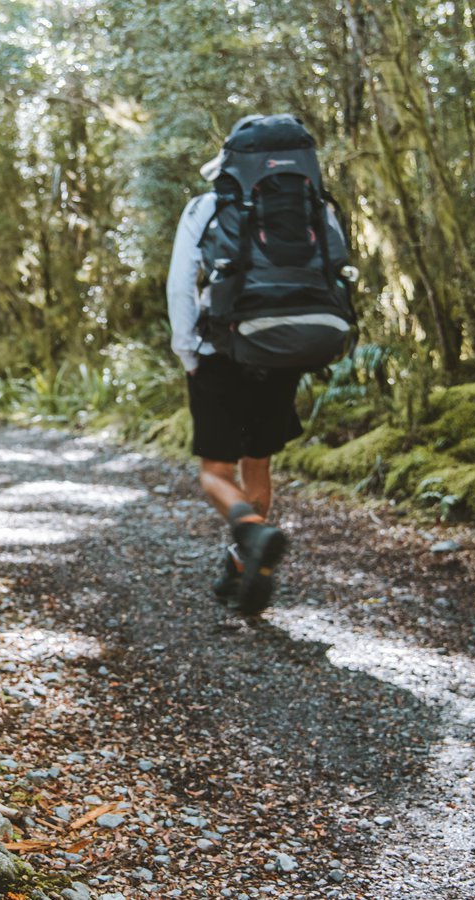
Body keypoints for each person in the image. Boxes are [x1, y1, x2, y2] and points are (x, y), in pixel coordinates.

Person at [166, 117, 299, 616]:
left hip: (219, 351)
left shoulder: (207, 206)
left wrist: (187, 351)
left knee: (215, 471)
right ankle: (245, 568)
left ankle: (251, 531)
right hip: (283, 349)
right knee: (257, 463)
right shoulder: (311, 205)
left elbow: (181, 284)